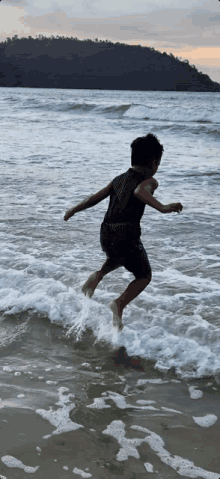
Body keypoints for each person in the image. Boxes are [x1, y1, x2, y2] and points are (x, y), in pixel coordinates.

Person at [64, 133, 183, 331]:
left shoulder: (118, 179)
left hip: (106, 233)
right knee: (144, 275)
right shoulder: (150, 181)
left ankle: (96, 277)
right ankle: (118, 304)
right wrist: (162, 207)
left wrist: (74, 209)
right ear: (154, 163)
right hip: (126, 235)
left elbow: (94, 198)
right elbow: (139, 192)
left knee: (119, 257)